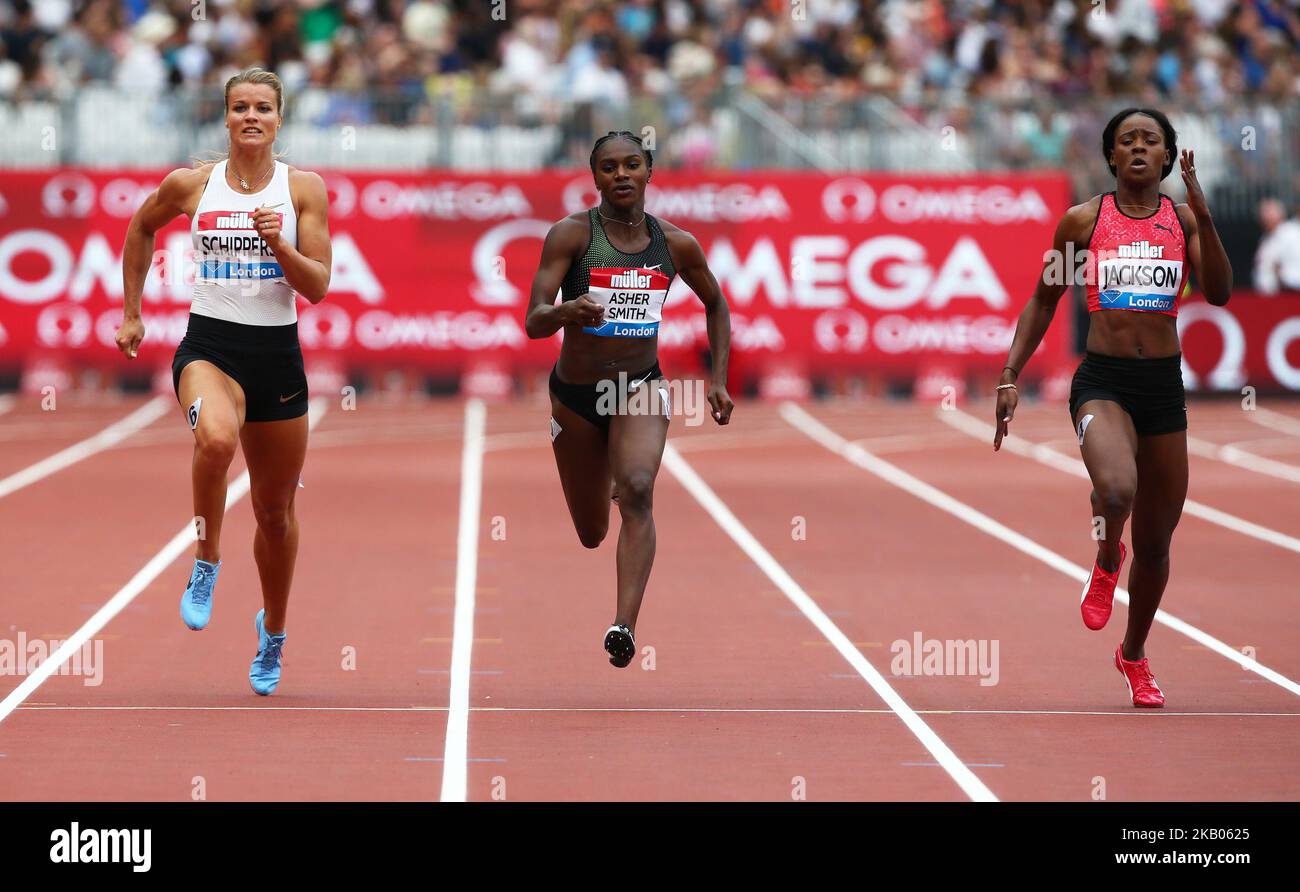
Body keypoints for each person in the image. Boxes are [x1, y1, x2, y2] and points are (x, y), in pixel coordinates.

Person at [993, 107, 1232, 707]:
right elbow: (1044, 301)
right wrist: (1010, 374)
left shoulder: (1184, 221)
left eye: (1151, 141)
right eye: (1126, 141)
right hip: (1103, 380)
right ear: (1111, 156)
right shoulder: (1082, 223)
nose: (1138, 149)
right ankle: (1105, 558)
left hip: (1163, 388)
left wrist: (1202, 212)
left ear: (1168, 157)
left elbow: (1221, 293)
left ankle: (1133, 655)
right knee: (1118, 490)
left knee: (1155, 545)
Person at [114, 68, 332, 695]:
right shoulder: (192, 185)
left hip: (277, 361)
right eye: (240, 107)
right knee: (213, 440)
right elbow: (140, 228)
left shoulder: (304, 189)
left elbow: (316, 286)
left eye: (263, 107)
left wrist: (280, 246)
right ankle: (206, 559)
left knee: (275, 512)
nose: (251, 117)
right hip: (209, 347)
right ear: (227, 116)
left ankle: (274, 634)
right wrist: (133, 311)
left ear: (280, 118)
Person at [525, 130, 734, 667]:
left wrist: (717, 379)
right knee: (593, 531)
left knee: (638, 490)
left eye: (632, 165)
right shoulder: (570, 236)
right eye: (610, 167)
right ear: (594, 178)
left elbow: (716, 304)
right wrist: (568, 311)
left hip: (638, 387)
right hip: (574, 396)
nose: (621, 175)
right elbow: (533, 321)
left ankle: (623, 625)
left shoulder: (675, 244)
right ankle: (598, 528)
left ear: (649, 173)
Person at [1252, 197, 1300, 295]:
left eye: (1269, 213)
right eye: (1263, 214)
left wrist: (1282, 276)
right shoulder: (1266, 238)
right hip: (1268, 296)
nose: (1265, 218)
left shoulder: (1291, 233)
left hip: (1289, 294)